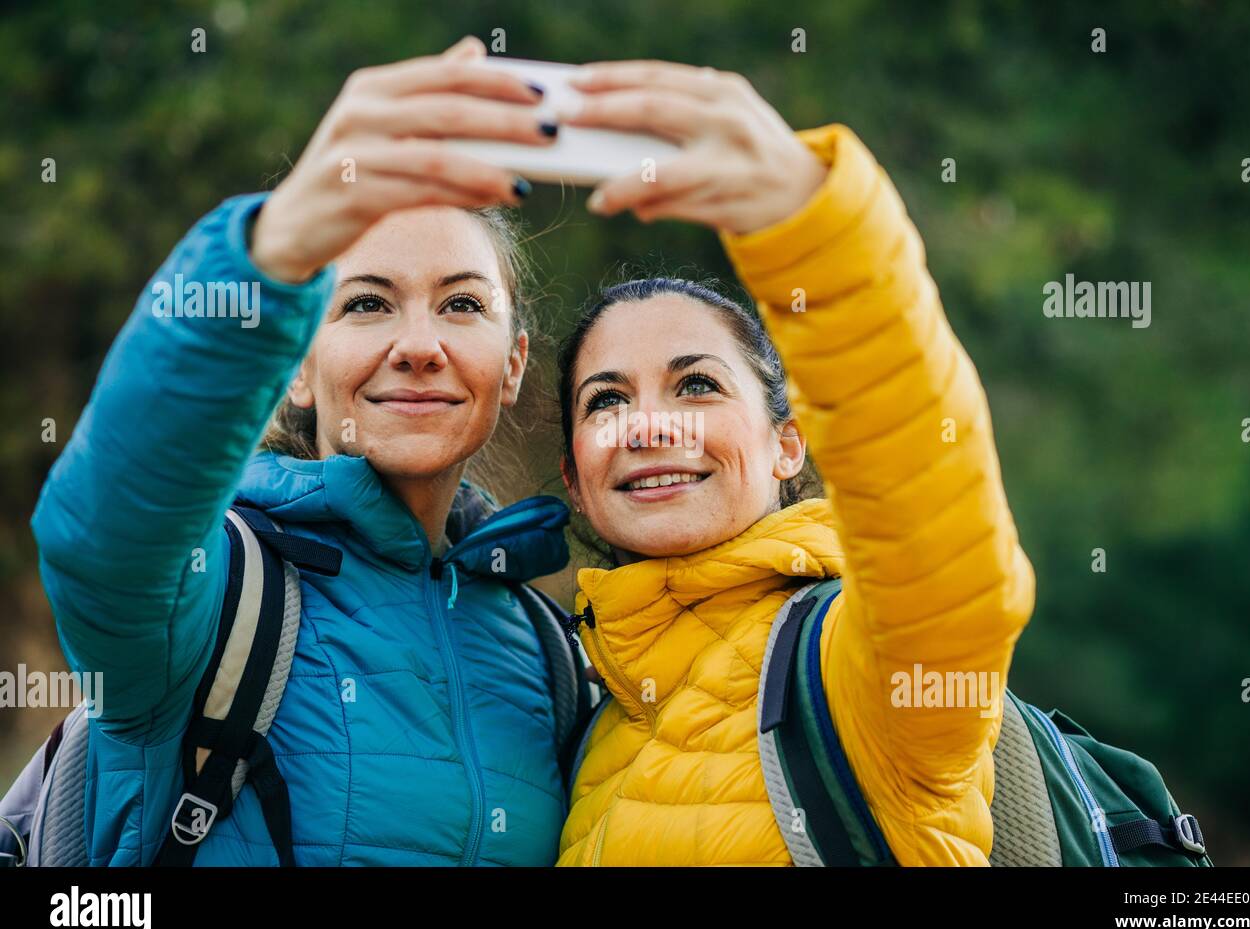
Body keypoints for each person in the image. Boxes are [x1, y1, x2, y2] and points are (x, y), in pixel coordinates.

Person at [30, 37, 574, 865]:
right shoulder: (213, 594)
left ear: (513, 366)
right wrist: (281, 244)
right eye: (365, 305)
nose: (419, 345)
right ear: (296, 367)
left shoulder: (550, 653)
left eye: (462, 305)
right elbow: (101, 529)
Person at [554, 61, 1036, 865]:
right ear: (573, 477)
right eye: (605, 401)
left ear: (788, 441)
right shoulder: (586, 724)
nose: (647, 427)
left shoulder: (859, 665)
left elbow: (947, 558)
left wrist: (814, 228)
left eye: (697, 385)